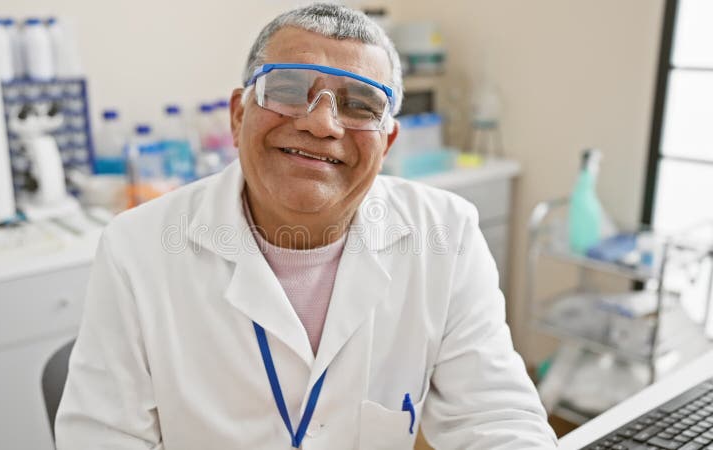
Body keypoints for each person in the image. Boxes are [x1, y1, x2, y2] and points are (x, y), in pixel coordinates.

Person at [56, 4, 558, 449]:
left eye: (361, 104)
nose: (322, 124)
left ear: (388, 142)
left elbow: (497, 414)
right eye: (291, 89)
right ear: (237, 115)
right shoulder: (138, 247)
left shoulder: (447, 233)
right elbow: (102, 436)